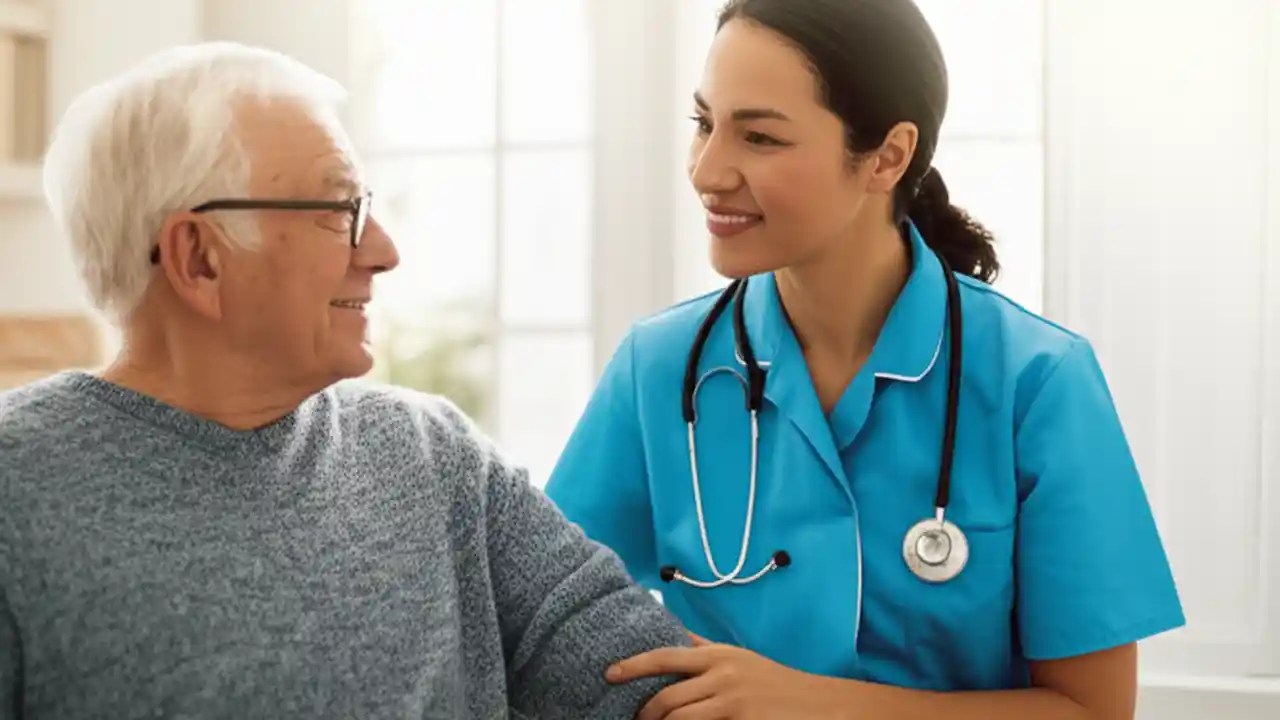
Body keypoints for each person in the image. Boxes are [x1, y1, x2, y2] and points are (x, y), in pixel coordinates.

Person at [0, 42, 691, 719]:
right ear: (199, 258)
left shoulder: (431, 454)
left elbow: (657, 685)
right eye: (339, 212)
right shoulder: (16, 493)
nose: (384, 252)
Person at [546, 1, 1184, 718]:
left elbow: (1091, 710)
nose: (706, 170)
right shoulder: (659, 370)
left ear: (887, 155)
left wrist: (804, 703)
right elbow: (547, 624)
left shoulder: (1034, 381)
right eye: (704, 123)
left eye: (758, 136)